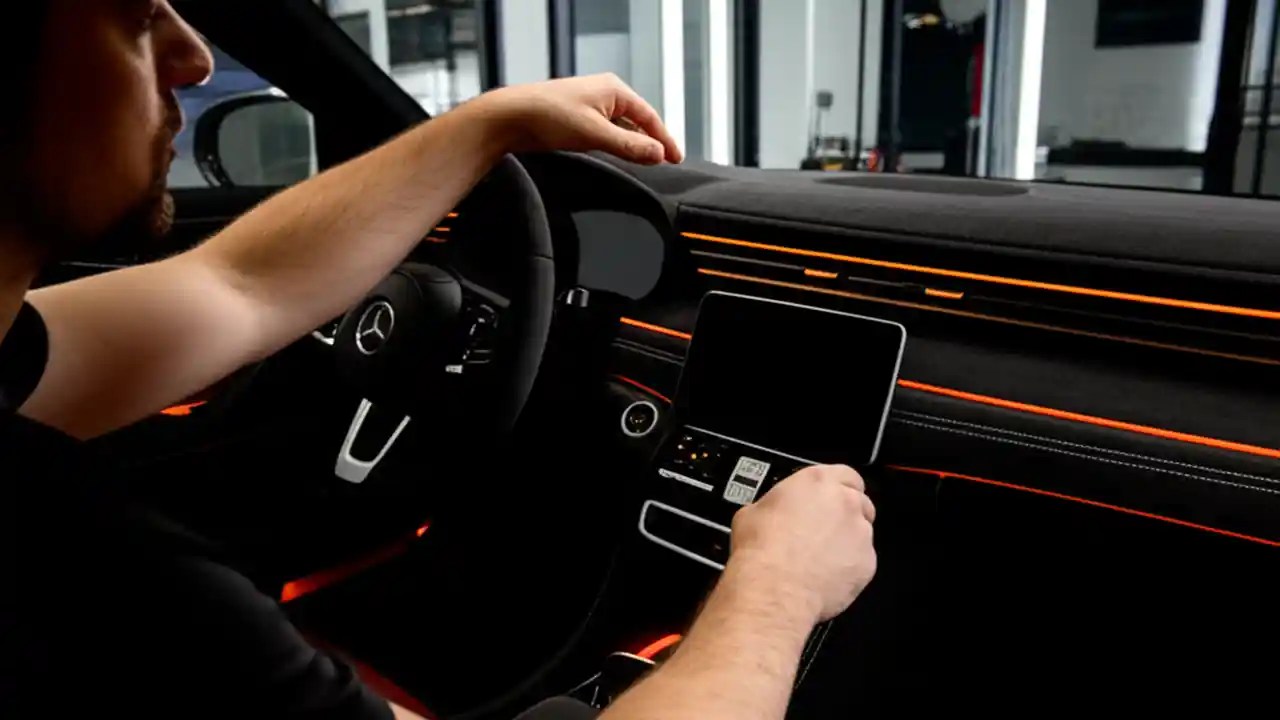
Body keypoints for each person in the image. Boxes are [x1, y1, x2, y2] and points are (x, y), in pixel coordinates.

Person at [0, 2, 878, 718]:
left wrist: (484, 127)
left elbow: (241, 285)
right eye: (138, 14)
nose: (193, 57)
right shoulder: (77, 559)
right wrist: (776, 590)